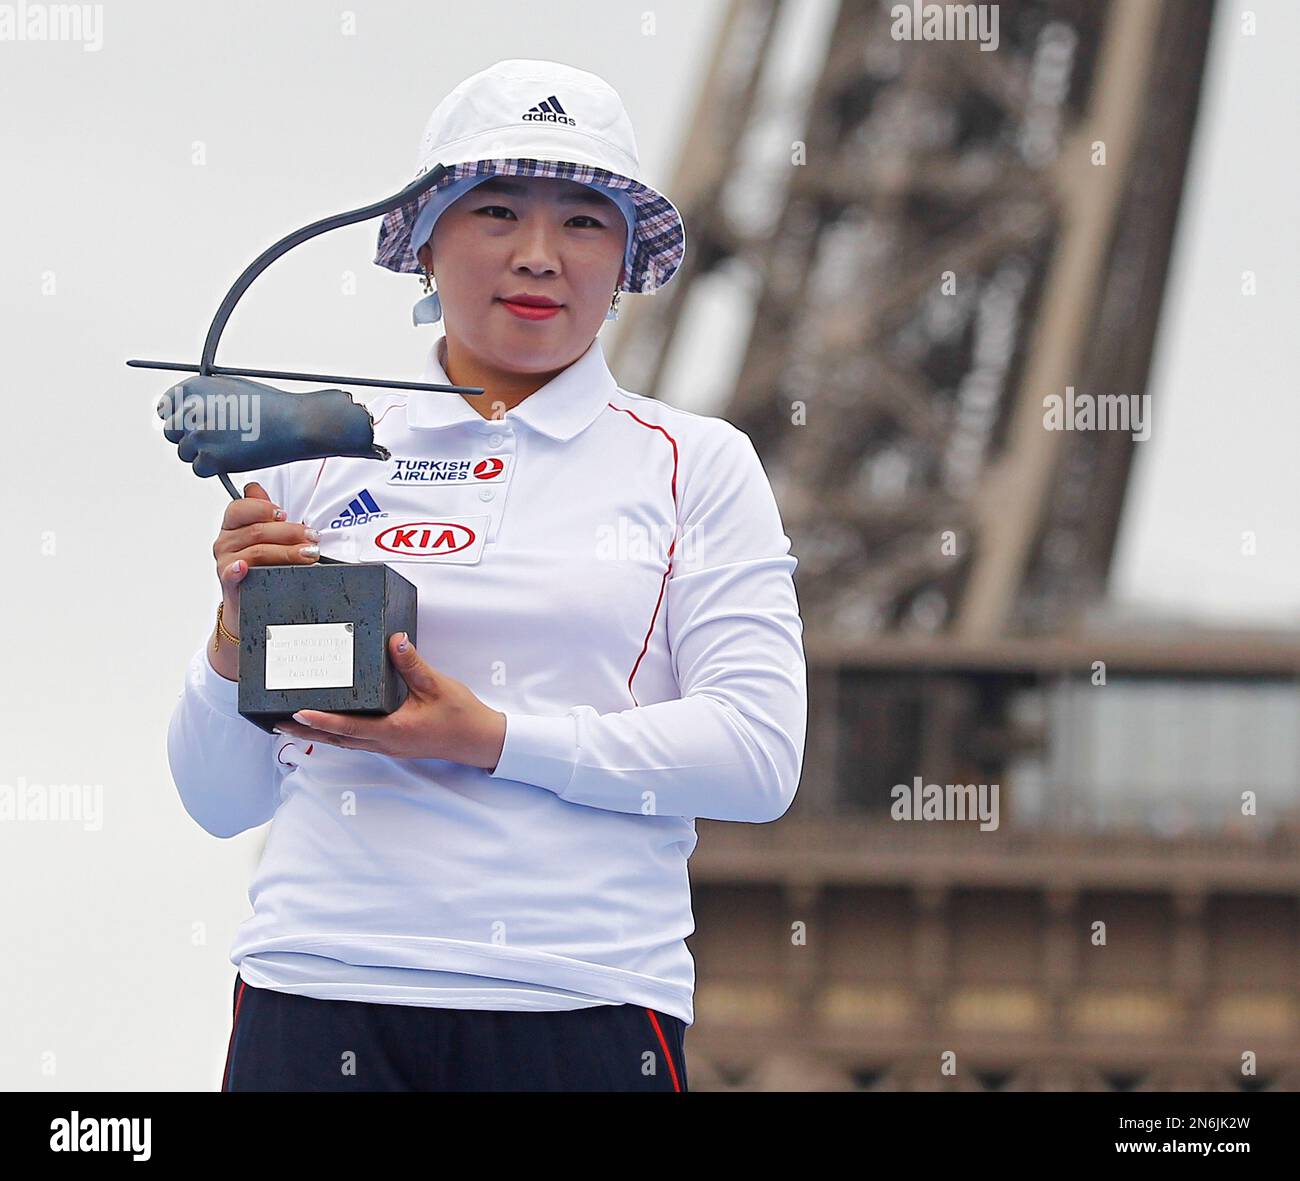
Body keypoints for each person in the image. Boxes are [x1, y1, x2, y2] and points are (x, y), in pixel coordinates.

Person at [164, 58, 807, 1092]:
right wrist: (229, 641)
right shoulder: (317, 454)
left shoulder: (695, 461)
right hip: (317, 983)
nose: (540, 256)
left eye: (586, 219)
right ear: (424, 237)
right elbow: (218, 798)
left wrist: (490, 739)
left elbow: (758, 754)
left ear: (630, 256)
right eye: (497, 209)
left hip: (578, 995)